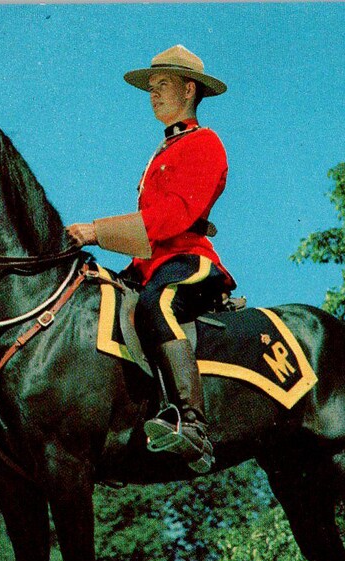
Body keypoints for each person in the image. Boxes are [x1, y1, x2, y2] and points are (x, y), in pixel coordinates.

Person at [66, 45, 235, 473]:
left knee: (156, 303)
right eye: (151, 88)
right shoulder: (162, 151)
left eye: (162, 86)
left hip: (189, 261)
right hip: (152, 264)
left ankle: (193, 424)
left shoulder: (205, 143)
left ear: (189, 88)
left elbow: (175, 216)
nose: (153, 95)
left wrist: (98, 231)